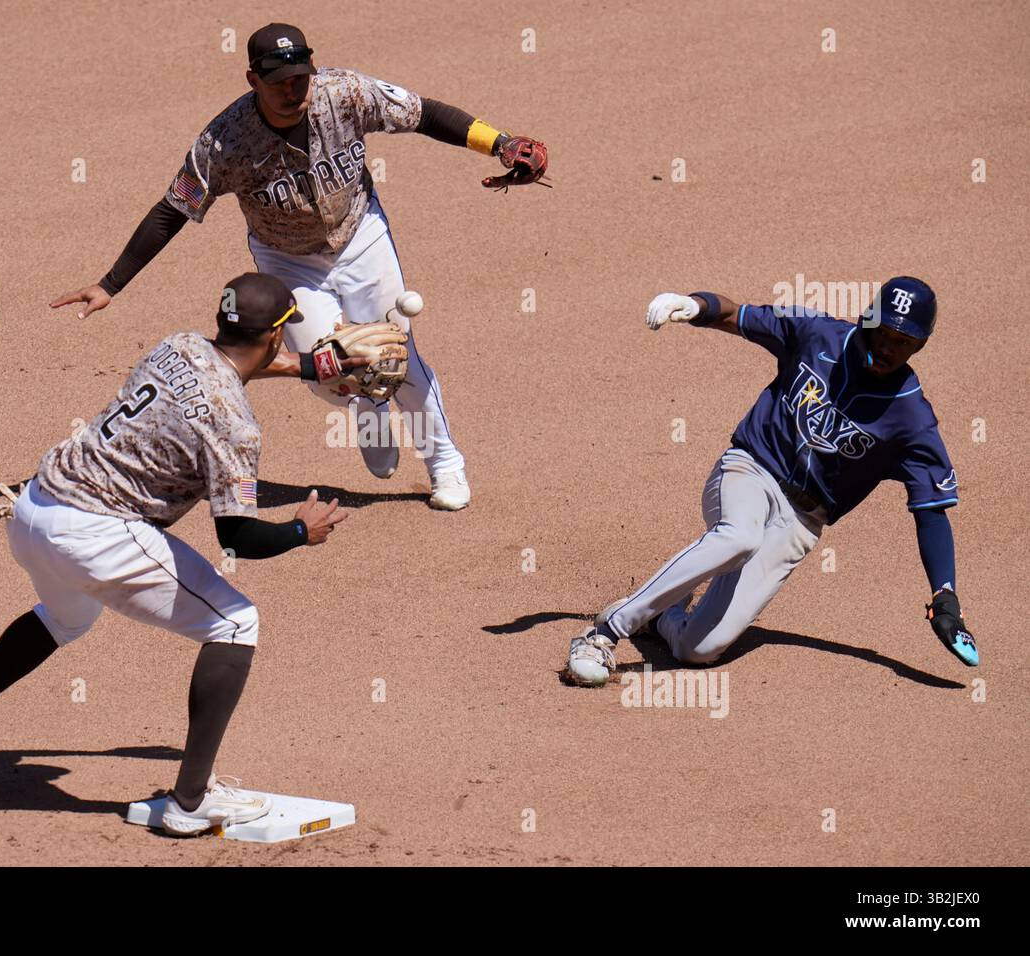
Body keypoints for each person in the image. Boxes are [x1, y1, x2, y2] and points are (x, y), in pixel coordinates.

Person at [0, 274, 350, 837]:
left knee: (66, 617)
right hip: (96, 535)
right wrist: (297, 530)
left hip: (37, 506)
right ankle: (191, 802)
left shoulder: (180, 344)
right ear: (274, 337)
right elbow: (237, 536)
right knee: (235, 623)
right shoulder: (235, 427)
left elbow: (232, 369)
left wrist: (318, 368)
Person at [51, 22, 549, 511]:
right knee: (325, 370)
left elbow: (425, 114)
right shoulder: (224, 142)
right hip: (287, 259)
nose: (294, 90)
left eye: (301, 77)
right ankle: (367, 406)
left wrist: (499, 142)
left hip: (360, 236)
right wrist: (110, 283)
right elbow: (172, 209)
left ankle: (445, 462)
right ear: (253, 81)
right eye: (279, 82)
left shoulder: (345, 93)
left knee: (397, 356)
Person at [566, 277, 979, 687]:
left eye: (903, 340)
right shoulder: (818, 336)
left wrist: (945, 595)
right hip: (751, 469)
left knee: (698, 649)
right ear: (866, 319)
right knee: (739, 536)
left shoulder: (912, 419)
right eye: (883, 332)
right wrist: (695, 307)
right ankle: (602, 636)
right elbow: (738, 315)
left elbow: (931, 512)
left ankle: (660, 616)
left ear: (921, 344)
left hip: (800, 521)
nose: (889, 347)